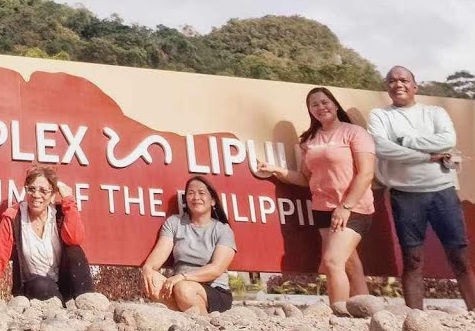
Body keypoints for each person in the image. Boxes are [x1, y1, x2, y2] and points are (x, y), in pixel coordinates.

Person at [367, 65, 475, 310]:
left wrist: (406, 141)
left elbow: (448, 140)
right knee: (413, 260)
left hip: (442, 191)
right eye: (392, 81)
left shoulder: (435, 113)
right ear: (387, 87)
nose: (398, 84)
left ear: (414, 86)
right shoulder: (380, 116)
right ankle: (416, 321)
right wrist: (428, 156)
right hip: (405, 196)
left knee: (460, 258)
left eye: (404, 80)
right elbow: (382, 148)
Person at [256, 87, 375, 306]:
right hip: (323, 209)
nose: (321, 107)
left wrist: (346, 207)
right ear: (310, 111)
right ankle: (367, 313)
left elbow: (366, 173)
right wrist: (276, 170)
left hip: (353, 207)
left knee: (331, 262)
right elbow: (305, 178)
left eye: (324, 102)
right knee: (349, 263)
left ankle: (338, 314)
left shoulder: (354, 133)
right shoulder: (309, 140)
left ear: (335, 104)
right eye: (314, 105)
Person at [0, 165, 93, 301]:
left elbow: (75, 238)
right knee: (42, 285)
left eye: (43, 191)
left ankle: (87, 304)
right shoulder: (14, 217)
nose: (36, 195)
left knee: (75, 251)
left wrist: (69, 201)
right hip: (33, 286)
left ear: (53, 195)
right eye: (31, 189)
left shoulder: (60, 214)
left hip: (64, 286)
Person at [141, 176, 237, 314]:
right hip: (177, 286)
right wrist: (148, 270)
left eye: (201, 193)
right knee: (152, 281)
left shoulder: (223, 230)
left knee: (184, 289)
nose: (196, 197)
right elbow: (157, 258)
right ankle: (189, 320)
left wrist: (182, 277)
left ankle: (205, 325)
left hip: (213, 291)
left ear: (213, 201)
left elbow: (216, 269)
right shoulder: (174, 223)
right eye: (191, 193)